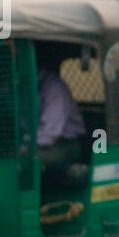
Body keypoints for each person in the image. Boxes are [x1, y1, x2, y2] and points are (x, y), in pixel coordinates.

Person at [36, 49, 87, 183]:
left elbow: (49, 135)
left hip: (66, 144)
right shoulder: (25, 85)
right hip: (39, 142)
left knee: (26, 160)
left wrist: (22, 148)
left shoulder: (53, 88)